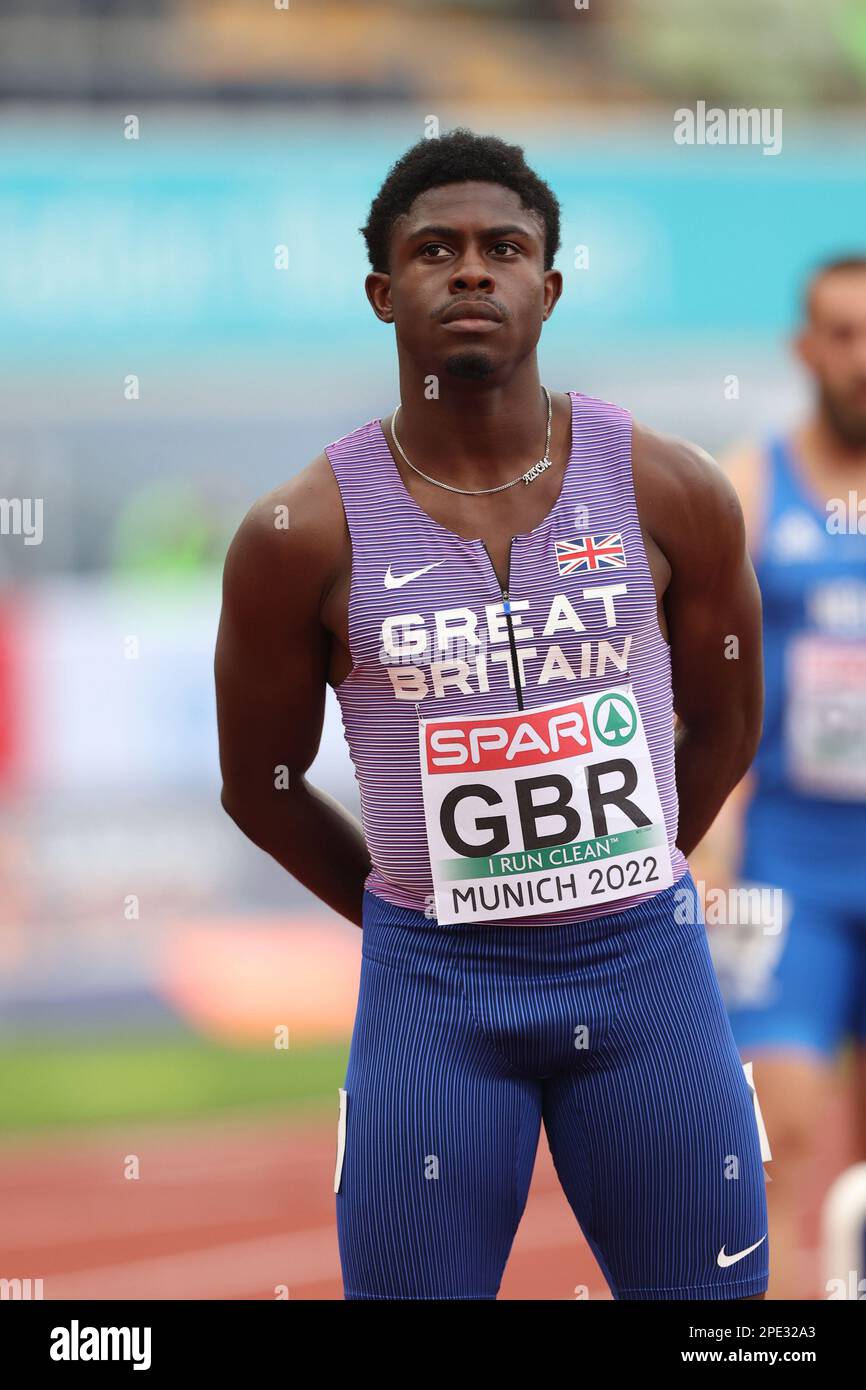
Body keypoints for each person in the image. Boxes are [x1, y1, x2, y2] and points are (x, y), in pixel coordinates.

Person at [214, 128, 768, 1301]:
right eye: (434, 250)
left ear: (547, 285)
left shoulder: (671, 491)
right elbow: (257, 786)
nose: (470, 271)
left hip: (645, 975)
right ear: (381, 291)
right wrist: (407, 910)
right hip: (434, 999)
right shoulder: (297, 535)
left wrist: (640, 857)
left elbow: (725, 721)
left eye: (501, 248)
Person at [696, 256, 866, 1300]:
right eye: (839, 335)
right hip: (781, 869)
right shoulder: (750, 483)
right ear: (803, 349)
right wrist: (707, 851)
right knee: (774, 1130)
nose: (859, 357)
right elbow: (700, 687)